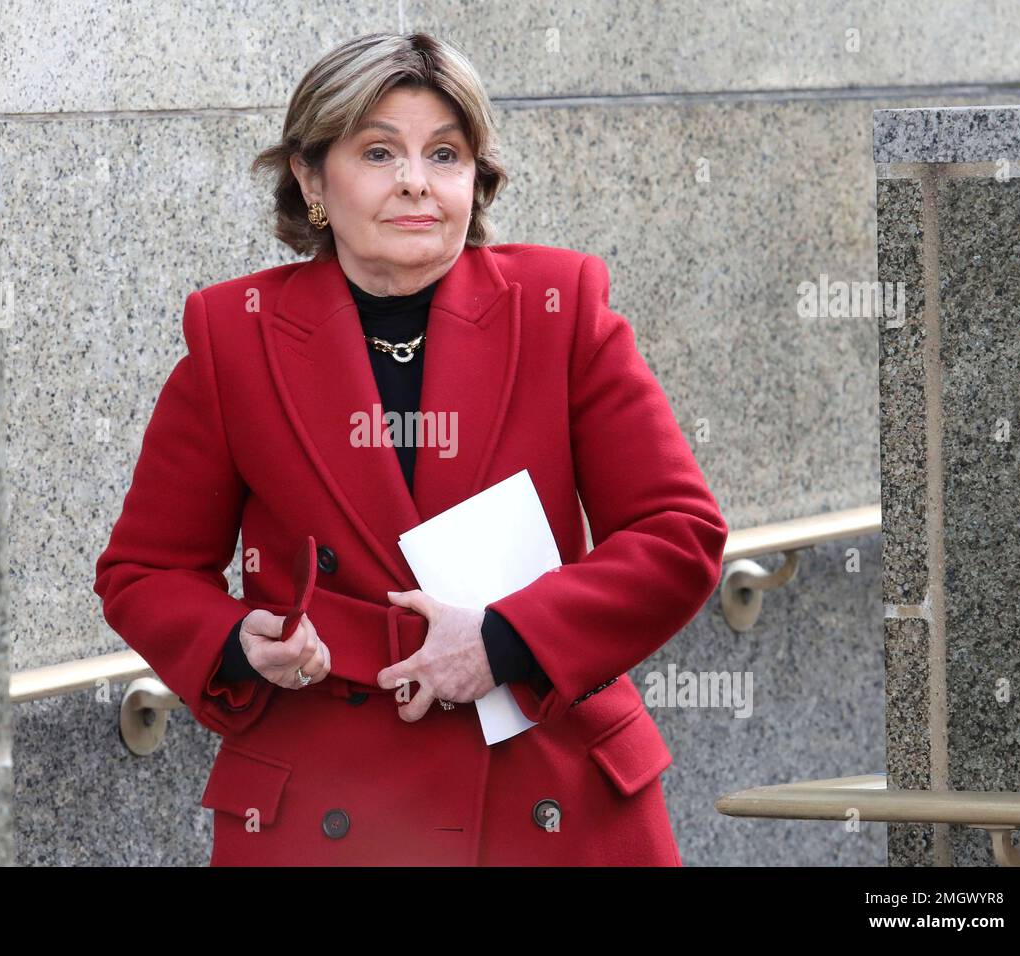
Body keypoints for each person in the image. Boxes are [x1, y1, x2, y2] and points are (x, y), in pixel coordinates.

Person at [93, 31, 729, 866]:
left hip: (548, 795)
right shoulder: (233, 336)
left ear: (477, 178)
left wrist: (504, 639)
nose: (416, 184)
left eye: (446, 154)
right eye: (379, 151)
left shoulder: (561, 307)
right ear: (312, 178)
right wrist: (238, 641)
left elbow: (678, 533)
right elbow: (145, 571)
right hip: (329, 798)